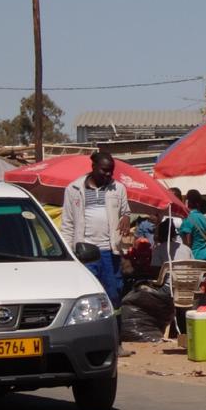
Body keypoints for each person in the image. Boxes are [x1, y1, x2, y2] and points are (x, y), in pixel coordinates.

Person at [60, 151, 132, 354]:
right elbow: (68, 224)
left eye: (111, 171)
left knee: (113, 297)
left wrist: (126, 215)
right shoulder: (73, 189)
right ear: (93, 167)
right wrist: (69, 255)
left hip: (110, 252)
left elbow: (125, 212)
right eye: (104, 170)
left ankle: (116, 343)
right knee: (87, 298)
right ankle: (86, 342)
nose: (109, 175)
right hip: (85, 253)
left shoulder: (118, 189)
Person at [180, 189, 206, 261]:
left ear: (187, 202)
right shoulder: (203, 217)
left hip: (194, 257)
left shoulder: (188, 218)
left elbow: (188, 242)